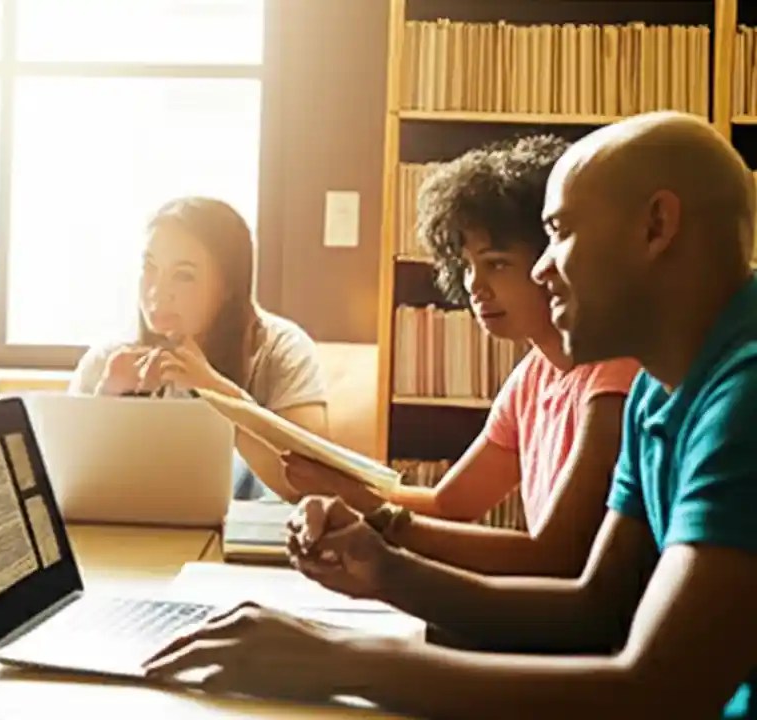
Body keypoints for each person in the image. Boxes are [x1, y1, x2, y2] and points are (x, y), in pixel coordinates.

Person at [144, 111, 757, 719]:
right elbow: (592, 605)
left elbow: (657, 689)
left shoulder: (746, 395)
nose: (543, 268)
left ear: (656, 225)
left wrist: (339, 659)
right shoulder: (659, 385)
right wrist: (382, 569)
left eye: (561, 232)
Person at [287, 135, 640, 577]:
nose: (474, 286)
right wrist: (341, 491)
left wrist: (365, 508)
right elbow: (449, 505)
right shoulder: (534, 373)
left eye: (496, 263)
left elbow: (556, 557)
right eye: (467, 266)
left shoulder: (616, 371)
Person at [69, 197, 329, 500]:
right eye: (150, 267)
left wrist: (217, 391)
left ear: (229, 286)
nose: (157, 291)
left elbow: (316, 484)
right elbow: (67, 490)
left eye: (184, 275)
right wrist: (109, 399)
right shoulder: (108, 360)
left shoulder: (280, 349)